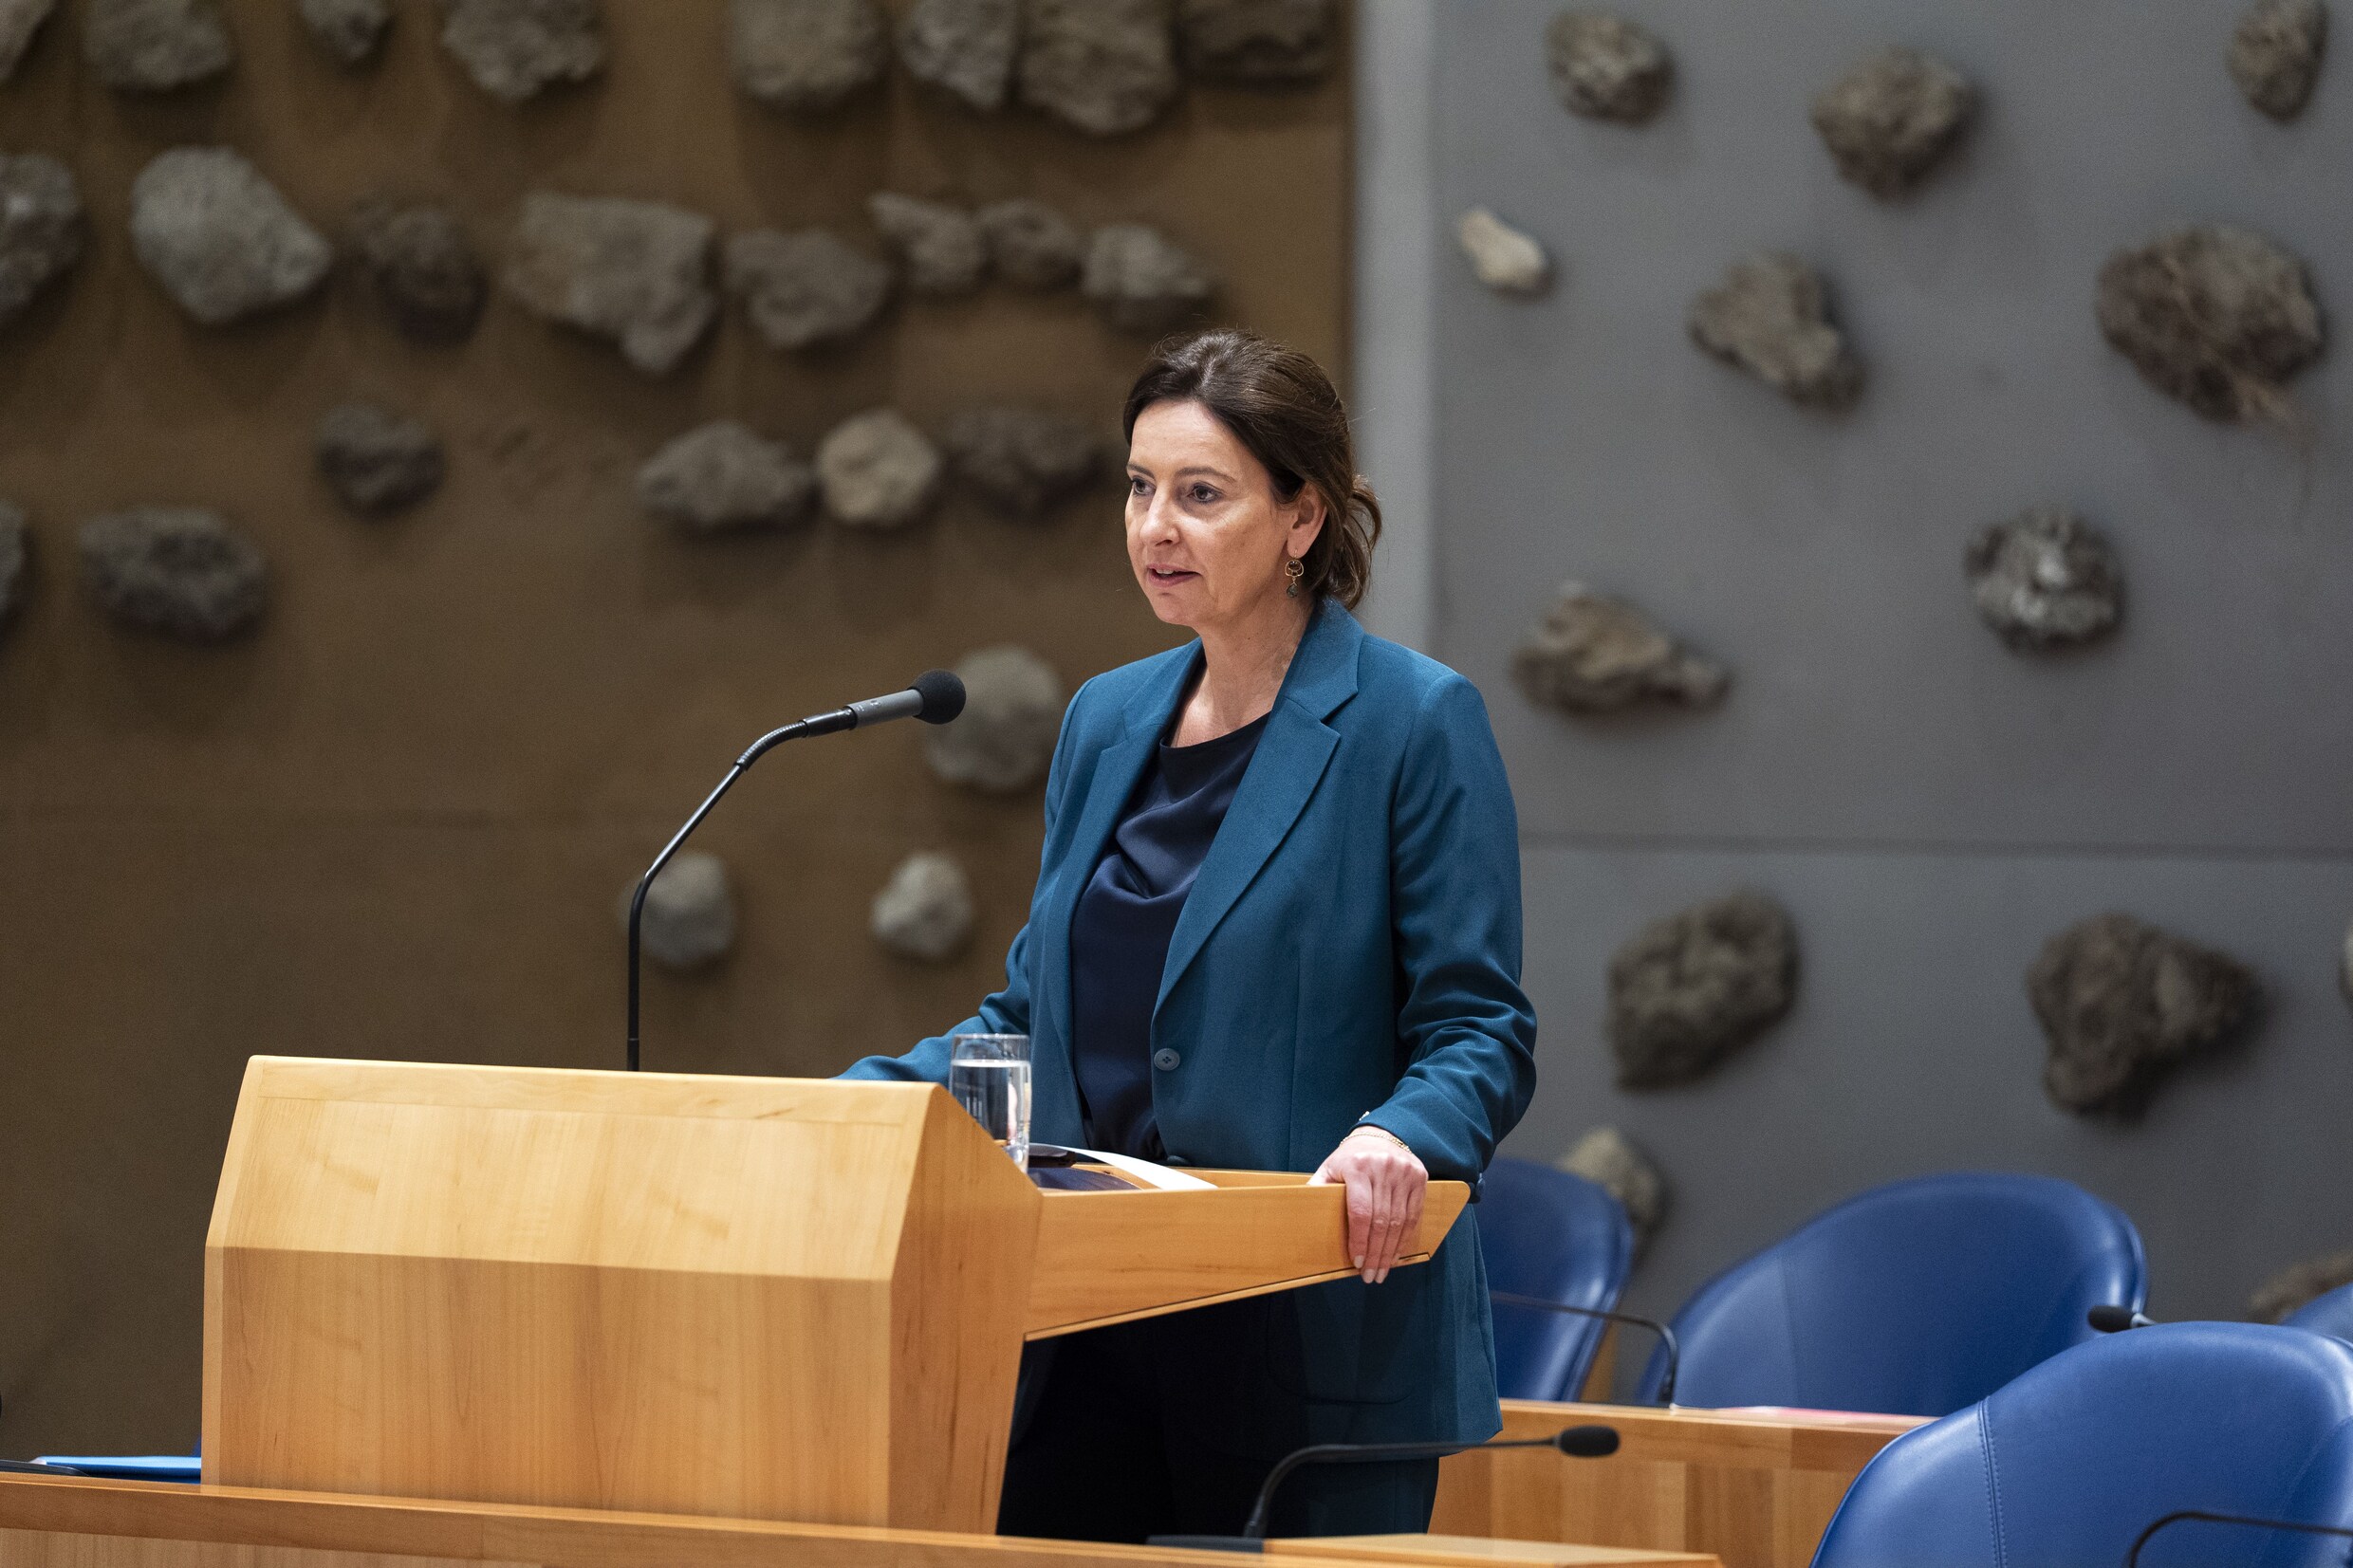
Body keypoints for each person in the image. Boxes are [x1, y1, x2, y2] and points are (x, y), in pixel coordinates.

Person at [841, 328, 1537, 1542]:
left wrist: (1396, 1134)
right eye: (1138, 488)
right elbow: (1028, 1017)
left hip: (1298, 1324)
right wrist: (860, 1106)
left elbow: (1479, 1026)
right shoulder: (1105, 720)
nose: (1154, 527)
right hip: (1078, 1325)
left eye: (1199, 495)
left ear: (1300, 518)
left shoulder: (1413, 724)